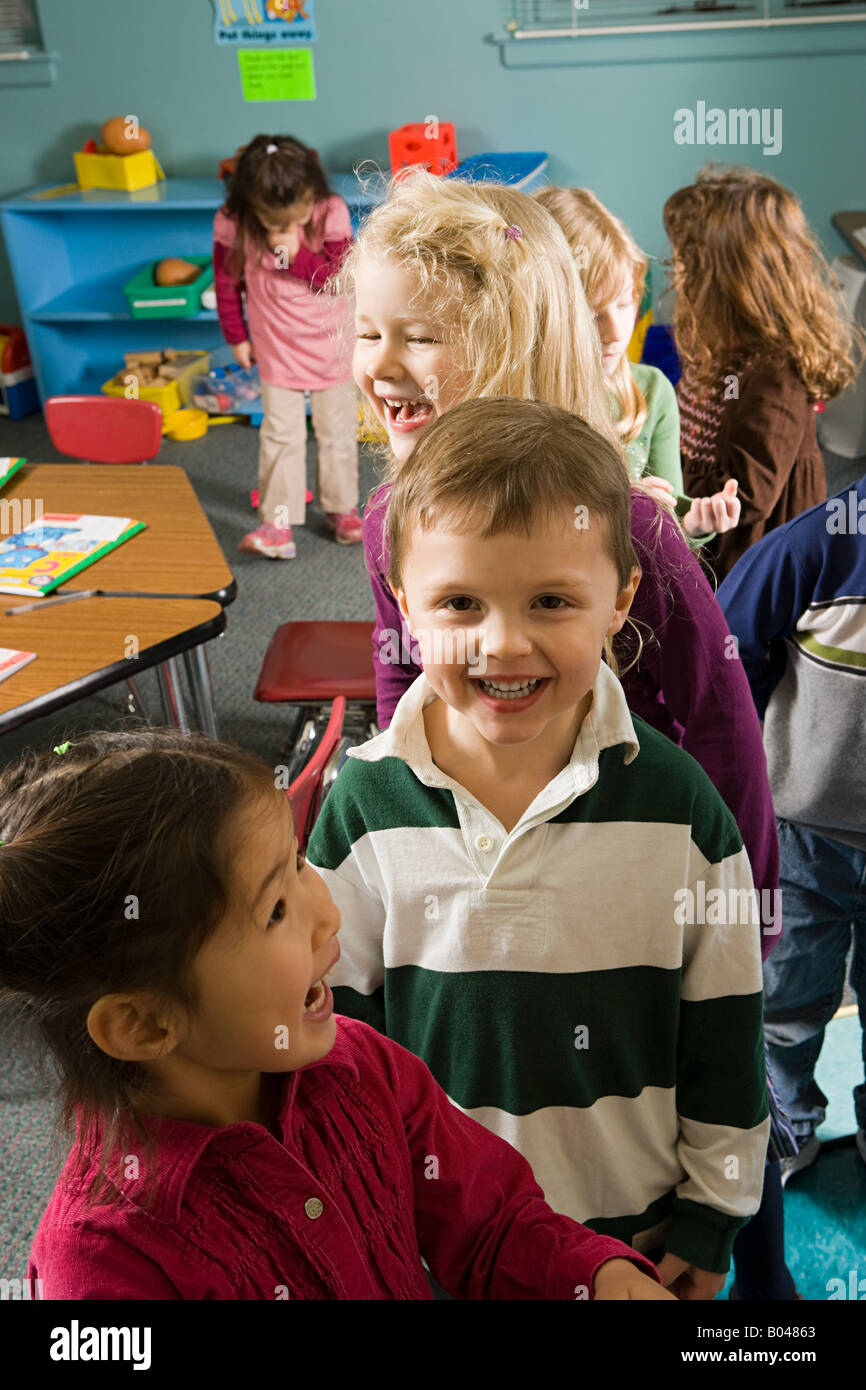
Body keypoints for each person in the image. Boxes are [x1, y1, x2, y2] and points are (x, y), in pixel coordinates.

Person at [307, 397, 770, 1299]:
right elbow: (339, 1045)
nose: (502, 644)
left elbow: (725, 1031)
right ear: (404, 602)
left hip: (636, 1241)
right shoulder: (364, 803)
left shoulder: (680, 809)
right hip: (437, 1241)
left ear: (620, 599)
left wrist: (715, 1216)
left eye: (552, 601)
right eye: (459, 603)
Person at [0, 730, 670, 1301]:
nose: (328, 913)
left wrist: (599, 1275)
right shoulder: (100, 1267)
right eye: (276, 911)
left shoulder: (361, 1063)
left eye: (298, 863)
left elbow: (492, 1224)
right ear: (143, 1025)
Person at [340, 171, 779, 959]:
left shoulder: (630, 526)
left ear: (515, 342)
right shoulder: (390, 521)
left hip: (625, 862)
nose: (381, 364)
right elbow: (401, 675)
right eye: (369, 333)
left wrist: (747, 920)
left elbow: (721, 724)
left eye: (421, 336)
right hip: (481, 863)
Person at [718, 473, 866, 1184]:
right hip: (805, 835)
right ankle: (791, 1128)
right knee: (789, 998)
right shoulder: (820, 547)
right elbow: (728, 648)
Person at [663, 164, 862, 583]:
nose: (674, 271)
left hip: (746, 553)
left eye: (686, 262)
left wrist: (666, 485)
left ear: (726, 282)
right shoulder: (720, 340)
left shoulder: (775, 376)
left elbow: (749, 496)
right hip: (702, 520)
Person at [534, 185, 740, 546]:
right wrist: (619, 507)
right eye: (592, 313)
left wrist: (692, 522)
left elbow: (672, 521)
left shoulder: (652, 392)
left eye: (625, 303)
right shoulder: (513, 400)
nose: (616, 333)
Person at [213, 134, 362, 559]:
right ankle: (277, 523)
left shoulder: (329, 211)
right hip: (276, 345)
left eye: (291, 220)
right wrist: (236, 336)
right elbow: (226, 281)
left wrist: (294, 254)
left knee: (336, 431)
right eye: (272, 222)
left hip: (331, 344)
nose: (280, 229)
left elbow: (337, 276)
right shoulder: (233, 220)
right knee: (280, 434)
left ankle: (342, 509)